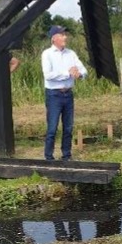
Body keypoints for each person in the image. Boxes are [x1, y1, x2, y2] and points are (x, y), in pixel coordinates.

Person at [41, 25, 88, 161]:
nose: (65, 37)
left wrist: (79, 74)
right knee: (52, 128)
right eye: (62, 35)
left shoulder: (71, 53)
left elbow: (83, 70)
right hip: (53, 95)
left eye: (65, 34)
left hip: (68, 94)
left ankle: (66, 155)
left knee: (68, 127)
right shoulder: (47, 54)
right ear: (54, 38)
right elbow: (48, 75)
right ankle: (48, 157)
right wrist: (68, 73)